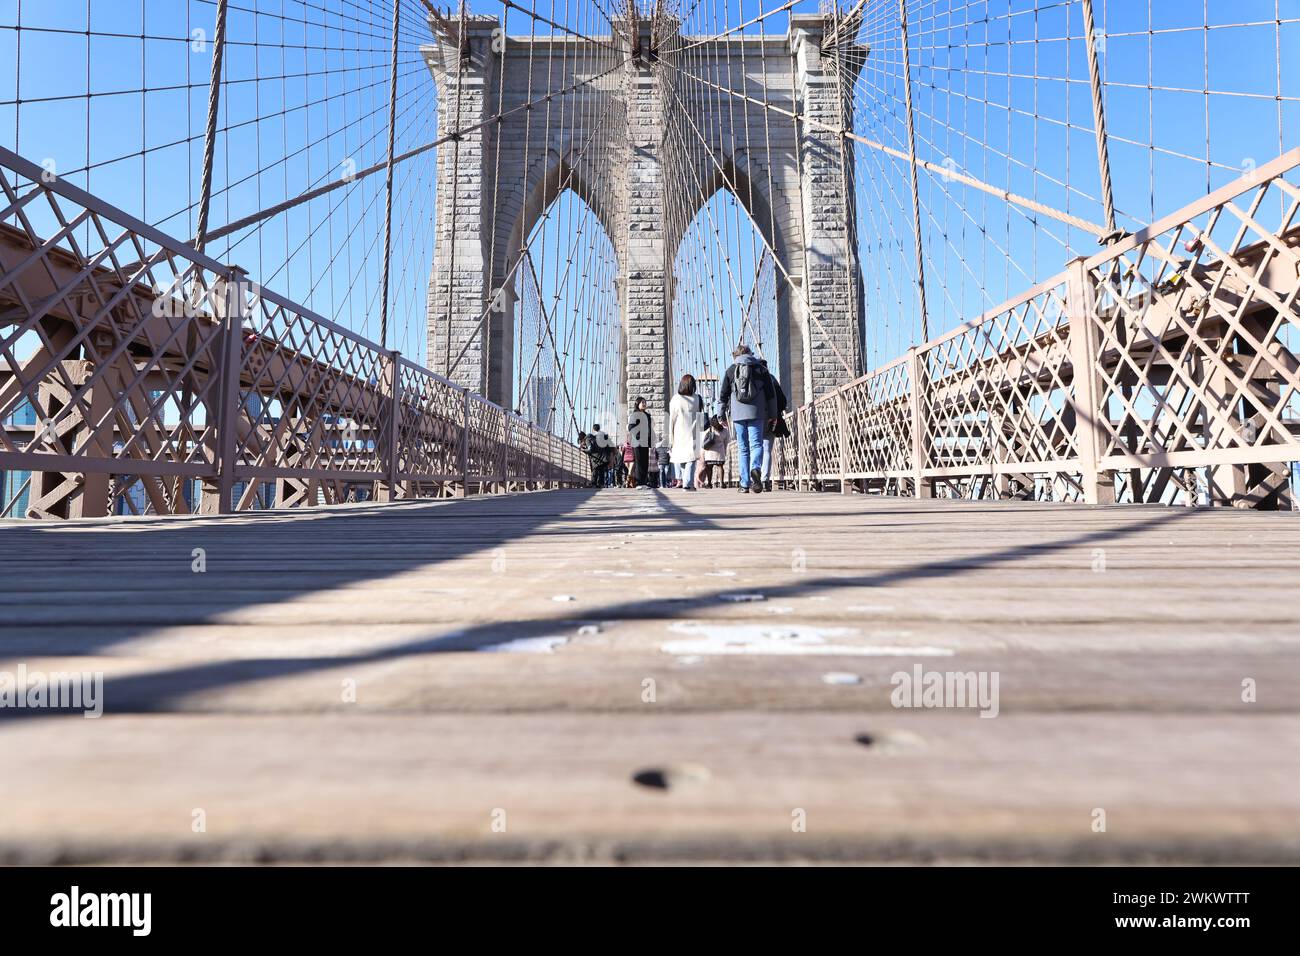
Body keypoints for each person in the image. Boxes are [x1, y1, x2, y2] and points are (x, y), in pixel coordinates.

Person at [718, 344, 776, 494]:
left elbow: (723, 395)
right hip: (757, 413)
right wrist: (773, 415)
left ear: (735, 356)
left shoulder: (731, 370)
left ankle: (744, 484)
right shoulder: (761, 369)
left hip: (737, 414)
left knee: (743, 448)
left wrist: (721, 415)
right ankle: (755, 468)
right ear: (751, 354)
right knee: (756, 445)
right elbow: (771, 395)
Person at [668, 373, 705, 490]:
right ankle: (687, 484)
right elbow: (700, 418)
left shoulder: (675, 399)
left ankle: (686, 483)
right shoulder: (698, 398)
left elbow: (672, 420)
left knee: (684, 459)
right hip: (694, 432)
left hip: (679, 433)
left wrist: (671, 438)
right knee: (691, 458)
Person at [758, 358, 788, 493]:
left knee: (753, 448)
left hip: (755, 418)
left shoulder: (753, 380)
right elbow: (782, 401)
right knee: (766, 450)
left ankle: (752, 479)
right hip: (771, 417)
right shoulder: (772, 379)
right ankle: (765, 481)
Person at [627, 396, 653, 488]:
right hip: (637, 441)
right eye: (642, 402)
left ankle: (644, 482)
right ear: (637, 404)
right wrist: (638, 435)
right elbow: (630, 428)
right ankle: (639, 483)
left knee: (645, 462)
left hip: (645, 441)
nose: (644, 404)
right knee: (638, 462)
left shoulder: (647, 415)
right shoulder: (635, 414)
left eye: (645, 402)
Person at [699, 415, 730, 489]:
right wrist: (724, 450)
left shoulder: (709, 429)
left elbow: (703, 441)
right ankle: (722, 483)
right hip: (720, 452)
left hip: (709, 453)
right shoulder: (725, 430)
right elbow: (726, 442)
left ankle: (709, 484)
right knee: (720, 467)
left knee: (709, 468)